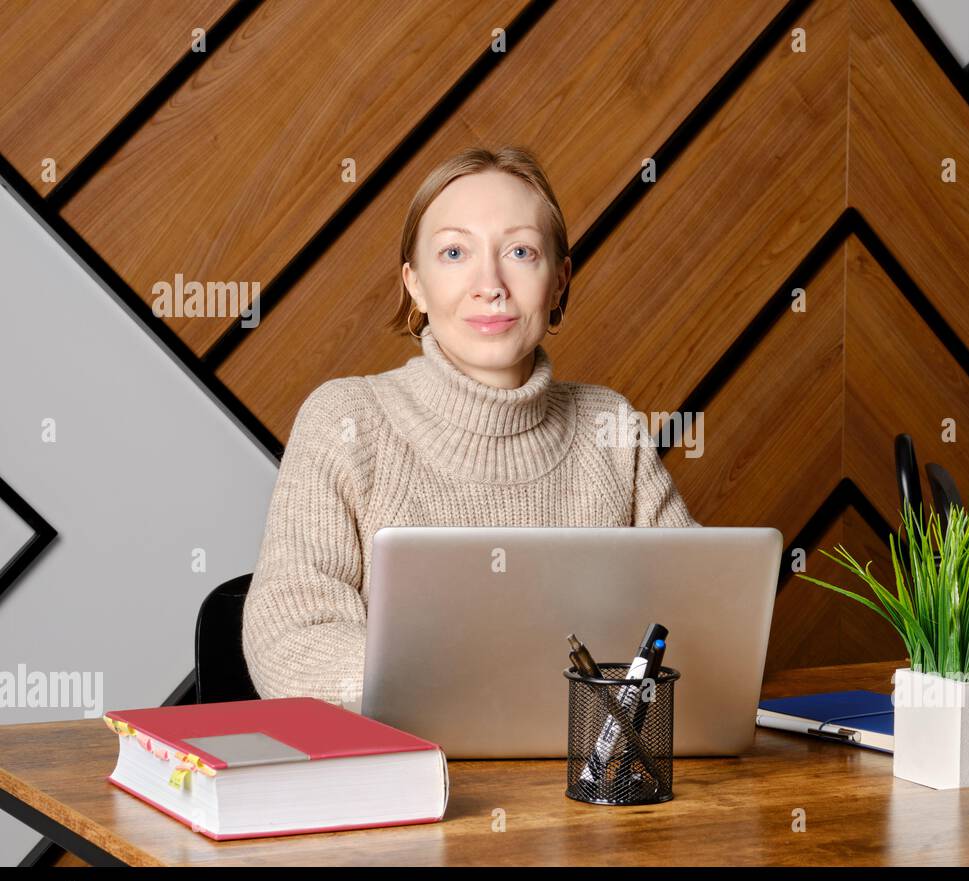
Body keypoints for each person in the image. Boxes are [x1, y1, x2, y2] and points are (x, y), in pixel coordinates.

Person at [241, 145, 700, 706]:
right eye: (455, 251)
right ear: (415, 284)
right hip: (409, 775)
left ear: (558, 280)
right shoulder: (346, 422)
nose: (491, 283)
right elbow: (290, 637)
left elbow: (697, 625)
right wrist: (467, 690)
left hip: (591, 770)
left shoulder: (610, 427)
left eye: (521, 251)